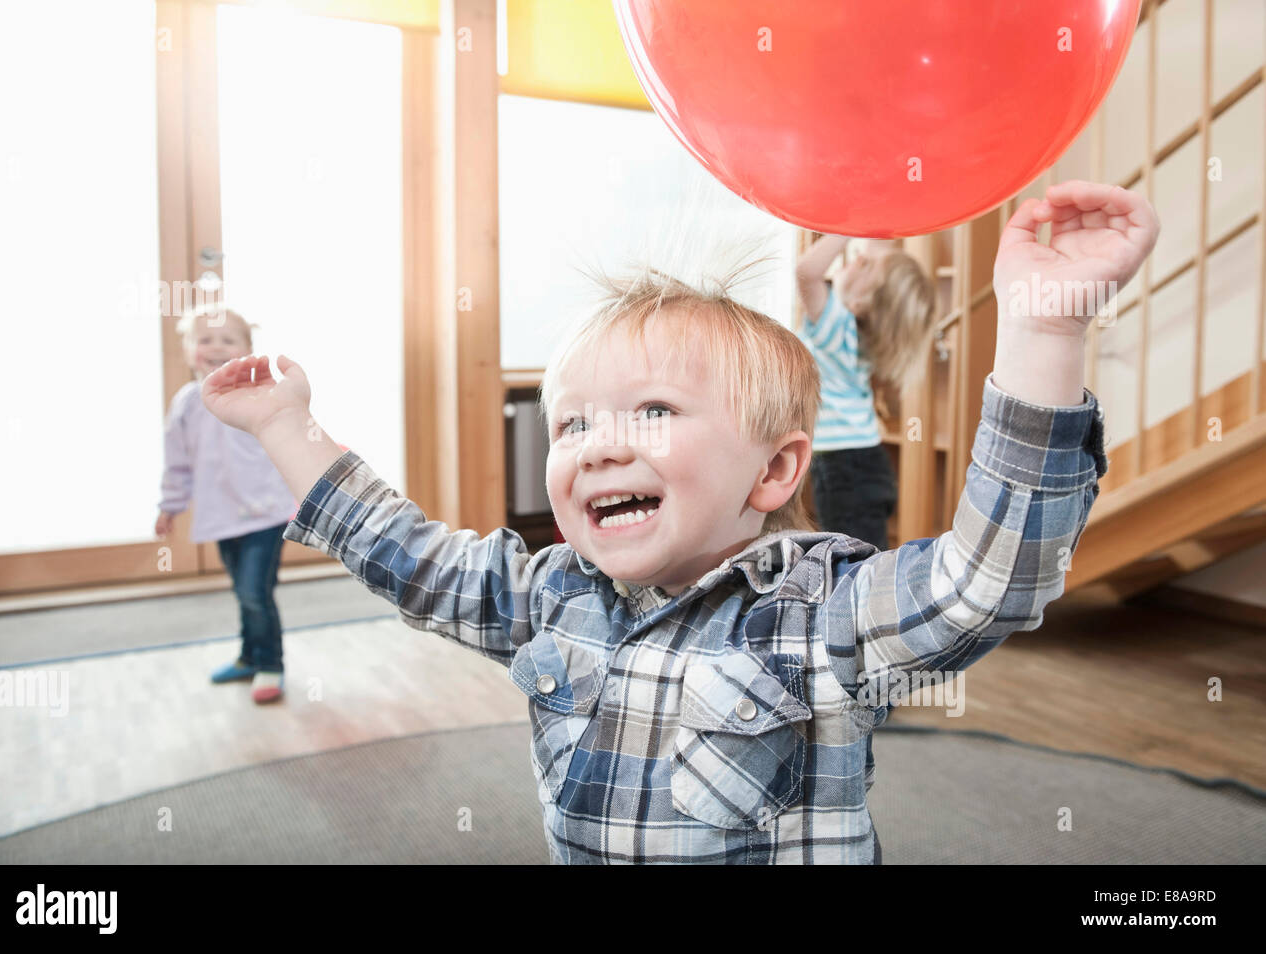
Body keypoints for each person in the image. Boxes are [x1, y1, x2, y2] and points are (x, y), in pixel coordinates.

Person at [200, 181, 1157, 863]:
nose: (599, 447)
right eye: (572, 423)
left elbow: (991, 578)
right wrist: (288, 426)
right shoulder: (545, 597)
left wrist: (1044, 327)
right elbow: (404, 553)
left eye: (652, 411)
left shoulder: (823, 611)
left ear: (775, 468)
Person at [155, 302, 297, 704]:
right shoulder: (185, 402)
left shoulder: (256, 397)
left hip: (265, 514)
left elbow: (287, 445)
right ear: (188, 350)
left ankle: (270, 664)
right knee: (244, 591)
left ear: (247, 349)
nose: (216, 347)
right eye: (205, 339)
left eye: (228, 339)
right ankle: (249, 656)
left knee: (255, 591)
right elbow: (177, 461)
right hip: (221, 517)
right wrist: (170, 505)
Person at [794, 234, 939, 549]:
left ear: (862, 304)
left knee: (852, 562)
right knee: (863, 558)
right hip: (863, 462)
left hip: (844, 467)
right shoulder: (857, 336)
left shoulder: (838, 329)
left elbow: (806, 272)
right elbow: (878, 247)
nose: (856, 258)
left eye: (865, 264)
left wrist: (843, 227)